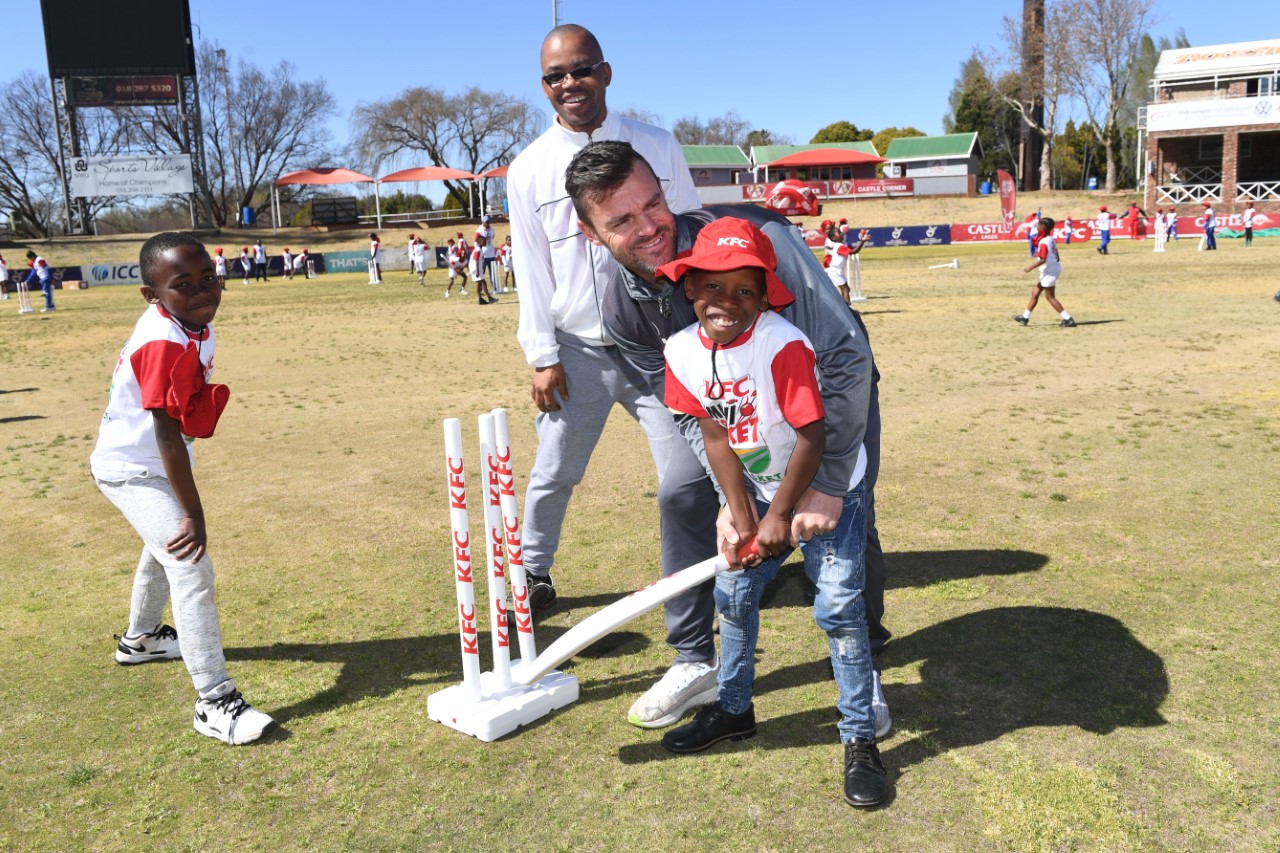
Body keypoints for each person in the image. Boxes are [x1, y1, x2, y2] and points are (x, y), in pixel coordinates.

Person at [565, 141, 892, 737]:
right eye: (621, 221)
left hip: (826, 394)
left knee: (845, 517)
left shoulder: (756, 237)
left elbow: (846, 359)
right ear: (591, 234)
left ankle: (862, 660)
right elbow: (692, 418)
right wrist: (730, 496)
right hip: (733, 419)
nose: (650, 227)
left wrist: (826, 482)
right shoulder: (619, 309)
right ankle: (695, 659)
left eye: (653, 204)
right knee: (680, 495)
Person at [656, 216, 887, 807]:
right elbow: (712, 435)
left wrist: (783, 514)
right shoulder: (680, 351)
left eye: (744, 290)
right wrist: (739, 514)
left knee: (837, 607)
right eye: (711, 286)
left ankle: (860, 737)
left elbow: (814, 432)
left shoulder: (781, 343)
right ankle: (734, 710)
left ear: (764, 297)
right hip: (761, 485)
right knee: (733, 595)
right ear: (689, 287)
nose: (726, 301)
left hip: (829, 480)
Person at [507, 22, 700, 692]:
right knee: (554, 469)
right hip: (575, 349)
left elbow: (691, 234)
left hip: (657, 343)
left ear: (606, 73)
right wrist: (541, 353)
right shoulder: (528, 168)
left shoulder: (655, 143)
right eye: (556, 76)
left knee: (686, 471)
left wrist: (699, 334)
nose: (570, 85)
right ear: (543, 88)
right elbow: (530, 268)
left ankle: (708, 572)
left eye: (581, 70)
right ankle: (533, 575)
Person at [89, 232, 275, 745]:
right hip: (130, 469)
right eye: (182, 285)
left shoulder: (194, 324)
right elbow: (167, 437)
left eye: (208, 279)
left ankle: (141, 640)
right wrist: (194, 514)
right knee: (190, 560)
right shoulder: (161, 339)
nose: (201, 292)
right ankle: (214, 701)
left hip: (156, 462)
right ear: (153, 296)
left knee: (166, 548)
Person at [1013, 216, 1075, 328]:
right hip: (1050, 269)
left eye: (1038, 225)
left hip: (1050, 271)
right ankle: (1025, 317)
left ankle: (1068, 319)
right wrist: (1043, 256)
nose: (1036, 226)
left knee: (1050, 297)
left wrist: (1030, 267)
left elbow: (1043, 259)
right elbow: (1056, 255)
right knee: (1035, 293)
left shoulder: (1044, 241)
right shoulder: (1050, 239)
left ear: (1043, 227)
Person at [827, 227, 869, 306]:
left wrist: (861, 240)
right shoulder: (839, 246)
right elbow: (853, 252)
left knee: (846, 289)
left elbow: (853, 249)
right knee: (845, 289)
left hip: (837, 271)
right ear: (833, 238)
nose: (841, 233)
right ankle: (849, 311)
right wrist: (862, 242)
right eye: (839, 233)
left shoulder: (842, 245)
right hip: (835, 271)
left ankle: (846, 309)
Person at [470, 234, 496, 305]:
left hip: (476, 268)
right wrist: (478, 271)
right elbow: (476, 260)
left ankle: (480, 300)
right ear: (479, 242)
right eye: (484, 241)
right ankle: (490, 298)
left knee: (479, 284)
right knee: (483, 283)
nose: (485, 242)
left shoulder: (479, 249)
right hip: (476, 269)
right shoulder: (478, 249)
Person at [476, 216, 499, 290]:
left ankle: (494, 288)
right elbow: (475, 242)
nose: (488, 223)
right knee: (482, 273)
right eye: (486, 222)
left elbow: (492, 238)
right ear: (483, 222)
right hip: (483, 255)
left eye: (488, 221)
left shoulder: (492, 229)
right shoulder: (479, 231)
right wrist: (479, 252)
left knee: (493, 272)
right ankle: (480, 289)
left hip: (491, 254)